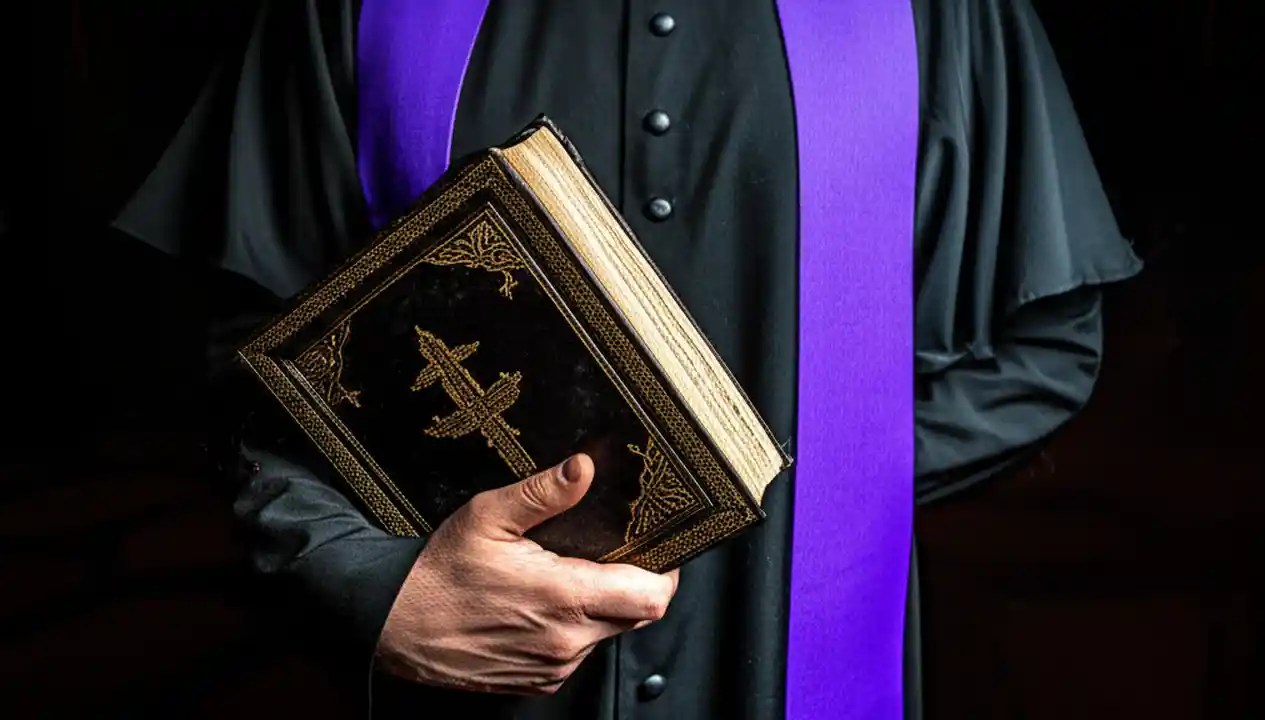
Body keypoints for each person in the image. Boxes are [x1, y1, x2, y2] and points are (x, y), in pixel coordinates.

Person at [113, 1, 1143, 718]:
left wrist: (764, 497)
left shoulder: (940, 10)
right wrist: (369, 582)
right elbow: (246, 350)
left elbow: (1040, 347)